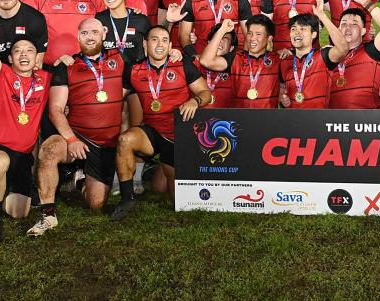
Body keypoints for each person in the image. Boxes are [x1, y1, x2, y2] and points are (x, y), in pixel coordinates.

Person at [26, 19, 129, 236]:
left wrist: (176, 54)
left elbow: (149, 67)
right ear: (78, 36)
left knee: (96, 203)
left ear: (104, 33)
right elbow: (55, 108)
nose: (90, 37)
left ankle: (79, 176)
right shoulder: (67, 66)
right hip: (77, 135)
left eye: (94, 32)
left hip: (105, 144)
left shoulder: (120, 59)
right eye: (84, 33)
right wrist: (71, 139)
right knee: (49, 149)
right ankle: (48, 214)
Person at [0, 27, 61, 244]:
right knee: (0, 162)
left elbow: (66, 80)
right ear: (10, 58)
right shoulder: (2, 74)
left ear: (36, 57)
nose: (23, 55)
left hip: (22, 155)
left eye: (29, 51)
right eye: (17, 51)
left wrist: (65, 59)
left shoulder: (45, 78)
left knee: (18, 211)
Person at [110, 26, 211, 220]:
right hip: (152, 134)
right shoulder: (133, 69)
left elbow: (206, 93)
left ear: (171, 45)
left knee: (172, 198)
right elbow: (115, 99)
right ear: (145, 44)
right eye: (154, 40)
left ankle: (163, 169)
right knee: (125, 140)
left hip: (179, 135)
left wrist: (194, 101)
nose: (160, 44)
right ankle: (126, 199)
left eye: (165, 40)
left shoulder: (182, 65)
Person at [328, 0, 380, 109]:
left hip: (365, 122)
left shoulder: (371, 51)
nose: (348, 27)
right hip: (333, 123)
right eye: (344, 24)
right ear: (338, 29)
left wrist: (366, 3)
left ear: (363, 31)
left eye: (354, 24)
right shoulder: (328, 54)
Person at [278, 0, 349, 109]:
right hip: (292, 123)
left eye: (303, 29)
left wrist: (321, 15)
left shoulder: (323, 56)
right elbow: (282, 87)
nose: (297, 32)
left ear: (314, 34)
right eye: (293, 29)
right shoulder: (285, 62)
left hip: (319, 122)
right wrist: (282, 97)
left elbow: (343, 48)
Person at [199, 15, 282, 109]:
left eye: (258, 34)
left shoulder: (278, 60)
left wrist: (290, 51)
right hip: (239, 121)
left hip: (268, 121)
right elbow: (206, 61)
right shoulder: (235, 58)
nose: (252, 38)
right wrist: (222, 30)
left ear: (269, 38)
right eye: (250, 33)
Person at [94, 0, 151, 65]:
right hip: (110, 74)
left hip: (136, 74)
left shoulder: (141, 19)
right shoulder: (99, 19)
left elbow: (154, 42)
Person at [198, 23, 236, 108]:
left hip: (227, 119)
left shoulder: (237, 66)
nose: (219, 41)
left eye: (225, 38)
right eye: (217, 37)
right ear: (209, 43)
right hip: (198, 118)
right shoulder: (195, 64)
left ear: (231, 48)